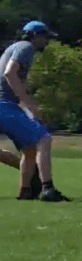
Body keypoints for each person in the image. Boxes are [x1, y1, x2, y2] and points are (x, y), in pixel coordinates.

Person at [0, 21, 69, 202]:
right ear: (35, 36)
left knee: (29, 149)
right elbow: (9, 74)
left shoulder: (15, 47)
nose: (47, 42)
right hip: (4, 106)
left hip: (6, 105)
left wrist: (30, 107)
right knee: (44, 139)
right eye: (45, 37)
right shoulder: (26, 47)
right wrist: (28, 105)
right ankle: (48, 189)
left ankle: (25, 192)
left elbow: (16, 82)